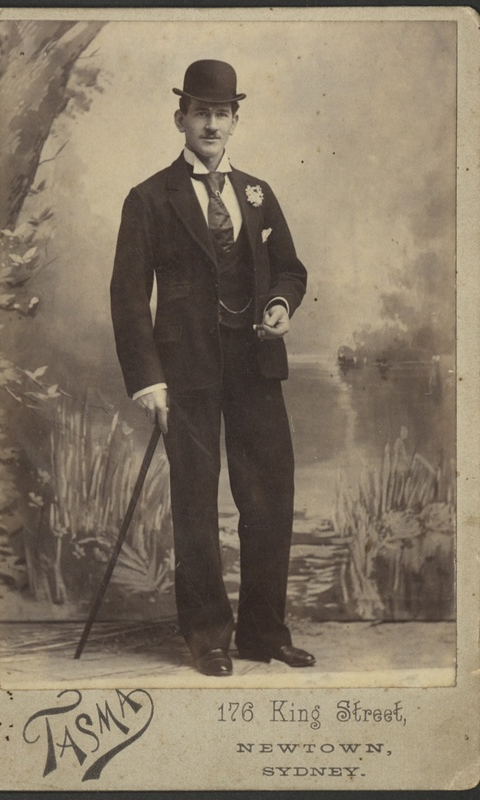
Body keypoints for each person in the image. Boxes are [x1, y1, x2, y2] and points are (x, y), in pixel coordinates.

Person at [111, 59, 314, 676]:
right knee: (196, 504)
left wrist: (280, 303)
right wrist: (148, 379)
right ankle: (207, 637)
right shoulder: (149, 197)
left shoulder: (257, 192)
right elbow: (126, 296)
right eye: (200, 112)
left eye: (221, 114)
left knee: (270, 497)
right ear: (181, 120)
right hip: (186, 374)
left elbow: (290, 268)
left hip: (255, 367)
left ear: (234, 121)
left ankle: (263, 632)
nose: (211, 123)